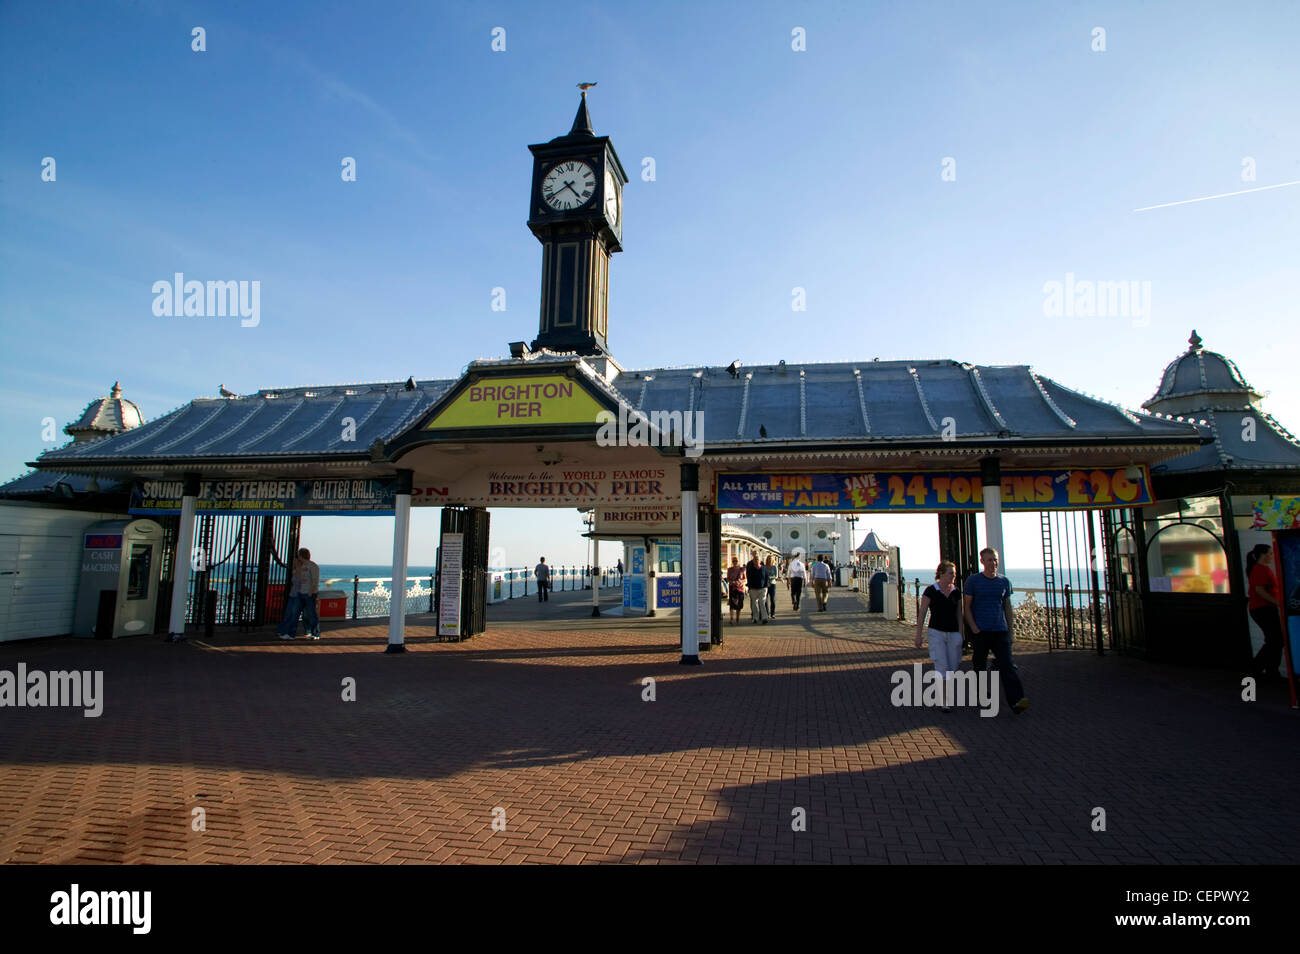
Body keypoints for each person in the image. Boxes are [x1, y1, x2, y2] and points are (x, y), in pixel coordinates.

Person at [963, 548, 1027, 713]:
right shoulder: (973, 581)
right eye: (989, 560)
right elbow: (967, 606)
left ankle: (1017, 700)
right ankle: (984, 696)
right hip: (981, 631)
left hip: (1000, 630)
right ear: (982, 561)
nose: (993, 563)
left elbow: (1007, 607)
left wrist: (1010, 630)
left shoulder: (1004, 582)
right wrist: (973, 627)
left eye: (995, 560)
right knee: (980, 665)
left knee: (1007, 665)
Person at [916, 561, 963, 710]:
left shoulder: (956, 591)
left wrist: (961, 634)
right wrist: (918, 635)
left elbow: (959, 615)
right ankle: (945, 700)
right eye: (951, 573)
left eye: (954, 574)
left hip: (953, 632)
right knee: (941, 665)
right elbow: (922, 612)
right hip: (936, 632)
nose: (953, 576)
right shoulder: (931, 591)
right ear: (941, 574)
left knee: (953, 665)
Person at [1247, 544, 1284, 681]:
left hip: (1265, 608)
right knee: (1275, 640)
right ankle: (1257, 668)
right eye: (1270, 553)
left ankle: (1271, 671)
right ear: (1263, 555)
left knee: (1276, 640)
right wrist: (1277, 602)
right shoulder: (1260, 570)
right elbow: (1259, 590)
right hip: (1262, 608)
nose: (1272, 556)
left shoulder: (1264, 569)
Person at [280, 547, 321, 640]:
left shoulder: (313, 566)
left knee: (311, 614)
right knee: (295, 613)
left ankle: (315, 633)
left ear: (302, 556)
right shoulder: (302, 566)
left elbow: (315, 580)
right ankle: (291, 634)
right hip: (301, 593)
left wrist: (311, 592)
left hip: (309, 594)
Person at [746, 554, 769, 624]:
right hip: (753, 589)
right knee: (754, 604)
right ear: (753, 561)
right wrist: (749, 588)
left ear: (760, 561)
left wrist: (766, 587)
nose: (756, 561)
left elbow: (766, 578)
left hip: (762, 589)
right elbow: (748, 578)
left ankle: (764, 618)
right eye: (755, 559)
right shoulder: (750, 569)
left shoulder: (764, 568)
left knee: (762, 603)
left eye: (757, 559)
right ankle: (755, 618)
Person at [726, 555, 746, 624]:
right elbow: (728, 578)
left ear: (738, 561)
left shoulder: (742, 569)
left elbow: (745, 578)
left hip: (740, 588)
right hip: (732, 587)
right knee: (732, 603)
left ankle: (737, 618)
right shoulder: (729, 569)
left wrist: (740, 581)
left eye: (736, 561)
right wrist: (732, 582)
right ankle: (731, 618)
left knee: (739, 603)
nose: (735, 562)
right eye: (733, 561)